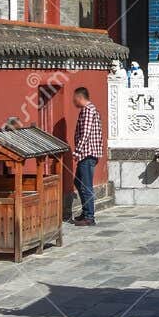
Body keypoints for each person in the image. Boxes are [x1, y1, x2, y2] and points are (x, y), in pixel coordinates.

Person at [71, 87, 104, 227]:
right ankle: (86, 212)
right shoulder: (88, 110)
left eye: (75, 98)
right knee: (79, 183)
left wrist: (77, 152)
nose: (74, 101)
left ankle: (89, 216)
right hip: (87, 153)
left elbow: (85, 133)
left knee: (86, 185)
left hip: (87, 153)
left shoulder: (88, 111)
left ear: (79, 97)